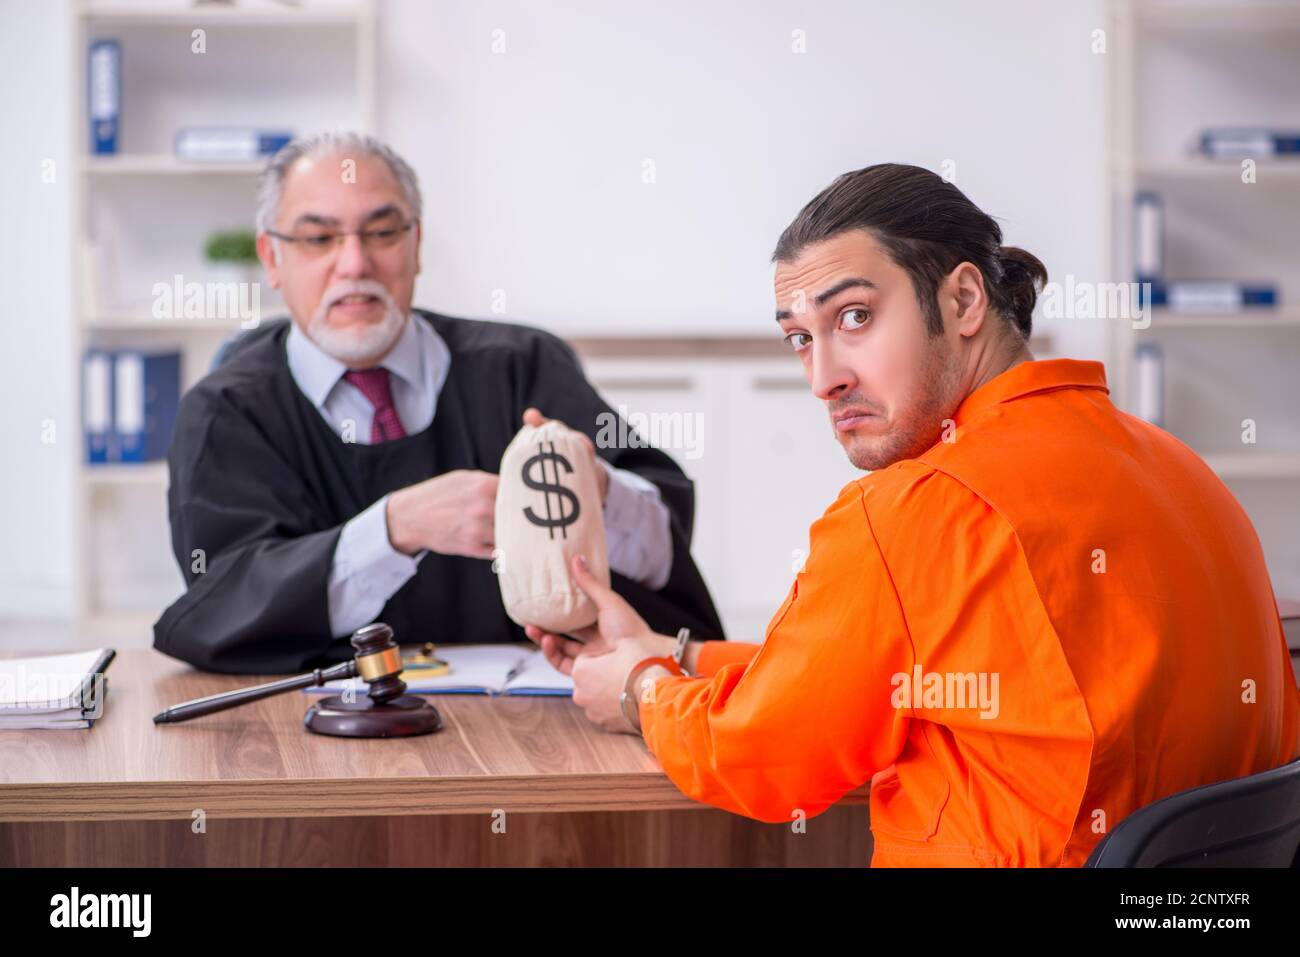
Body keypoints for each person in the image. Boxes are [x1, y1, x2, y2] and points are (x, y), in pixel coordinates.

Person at [525, 163, 1300, 867]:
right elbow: (886, 672)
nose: (824, 377)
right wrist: (676, 653)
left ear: (962, 299)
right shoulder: (1182, 469)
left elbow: (757, 758)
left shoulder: (917, 509)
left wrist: (643, 692)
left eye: (854, 317)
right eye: (800, 338)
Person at [153, 132, 723, 675]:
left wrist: (595, 494)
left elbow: (664, 543)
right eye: (319, 238)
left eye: (381, 233)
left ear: (416, 245)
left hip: (539, 725)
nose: (354, 264)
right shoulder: (225, 413)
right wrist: (395, 528)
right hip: (319, 740)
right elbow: (222, 606)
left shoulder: (524, 366)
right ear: (271, 259)